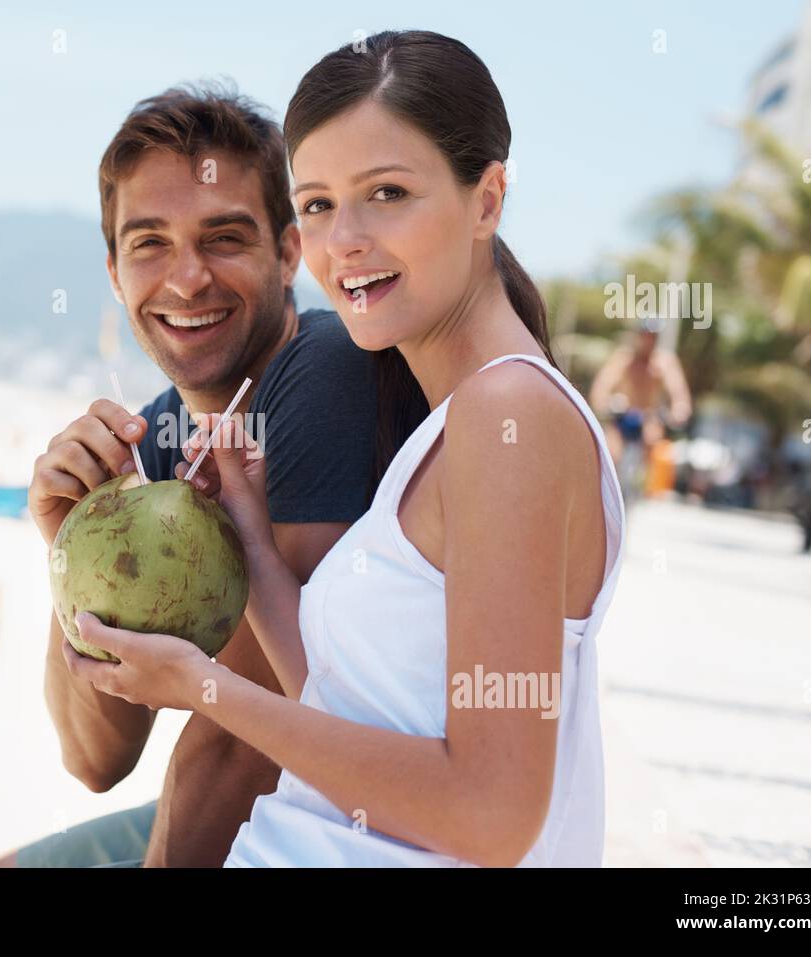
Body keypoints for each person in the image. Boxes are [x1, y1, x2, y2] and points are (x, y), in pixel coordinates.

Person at [65, 30, 627, 867]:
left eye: (388, 192)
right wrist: (252, 538)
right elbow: (345, 710)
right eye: (320, 203)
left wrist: (201, 686)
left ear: (487, 199)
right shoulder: (457, 424)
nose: (345, 241)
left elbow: (491, 813)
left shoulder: (510, 414)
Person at [0, 84, 427, 867]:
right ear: (115, 269)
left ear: (290, 252)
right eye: (149, 243)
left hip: (339, 821)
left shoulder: (325, 374)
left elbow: (243, 748)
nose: (186, 278)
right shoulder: (159, 434)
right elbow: (95, 758)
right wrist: (67, 551)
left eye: (223, 237)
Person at [589, 316, 692, 470]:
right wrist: (606, 404)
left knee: (654, 444)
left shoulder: (664, 362)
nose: (648, 341)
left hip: (649, 418)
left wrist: (679, 412)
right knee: (611, 452)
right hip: (622, 416)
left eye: (653, 337)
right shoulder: (623, 359)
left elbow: (679, 394)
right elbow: (600, 389)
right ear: (637, 336)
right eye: (645, 336)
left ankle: (645, 487)